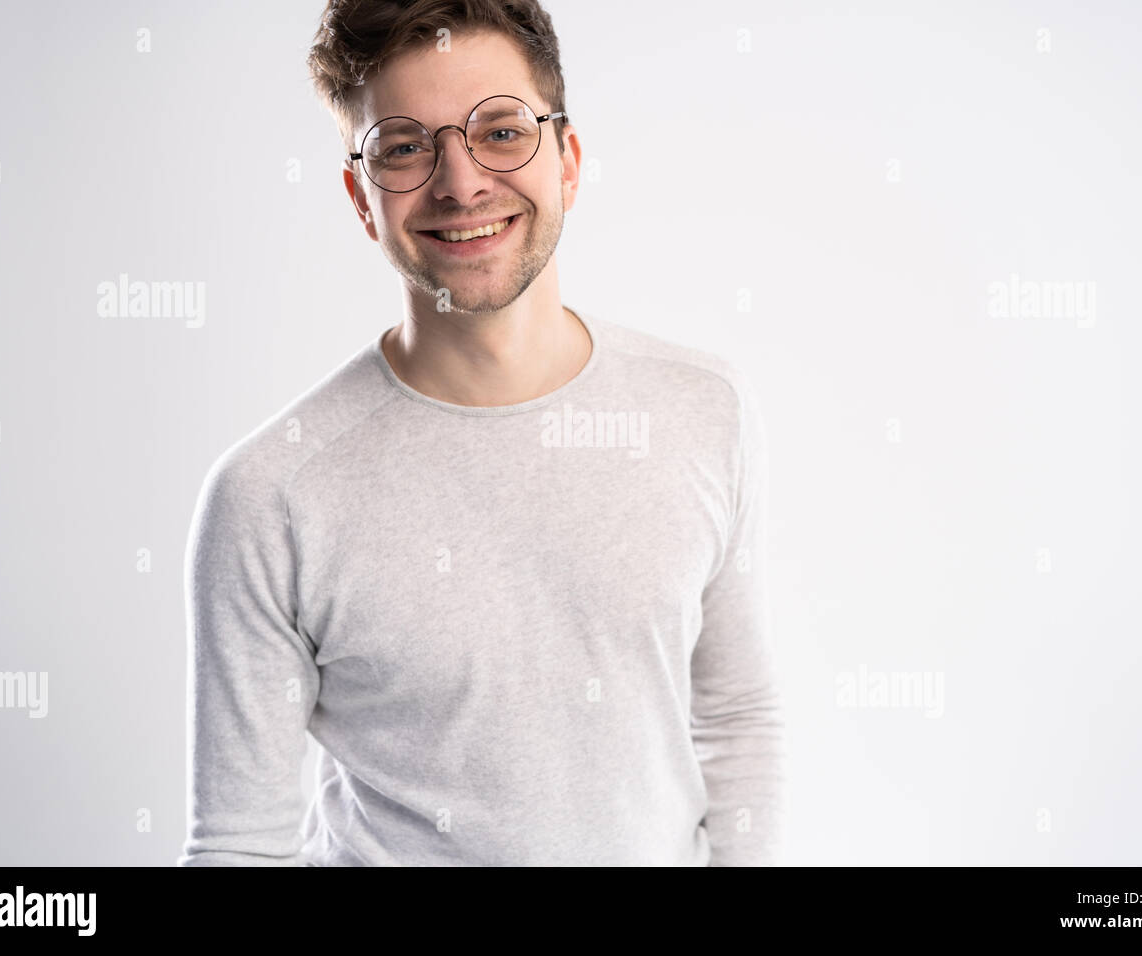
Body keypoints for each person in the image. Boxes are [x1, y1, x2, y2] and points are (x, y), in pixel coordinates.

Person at [178, 0, 786, 866]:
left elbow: (736, 719)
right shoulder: (268, 497)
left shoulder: (703, 410)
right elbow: (237, 844)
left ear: (567, 162)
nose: (460, 183)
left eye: (500, 131)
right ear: (361, 195)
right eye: (404, 146)